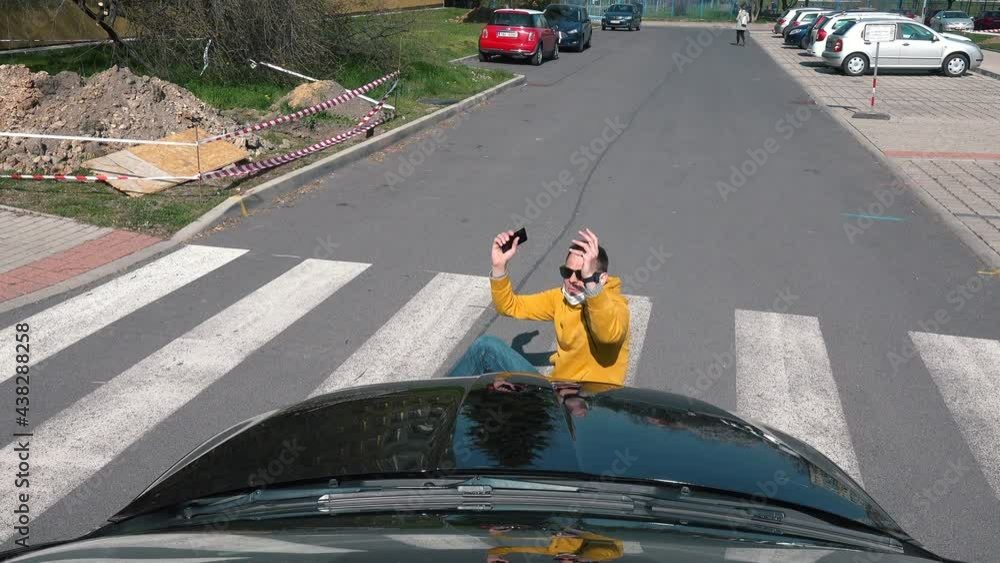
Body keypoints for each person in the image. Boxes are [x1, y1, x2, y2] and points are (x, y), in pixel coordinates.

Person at [448, 228, 630, 386]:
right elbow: (510, 306)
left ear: (601, 278)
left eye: (581, 274)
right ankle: (434, 404)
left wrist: (591, 285)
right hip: (556, 395)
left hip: (593, 406)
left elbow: (607, 336)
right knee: (485, 347)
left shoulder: (615, 306)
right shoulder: (560, 298)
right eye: (567, 272)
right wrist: (499, 266)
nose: (572, 280)